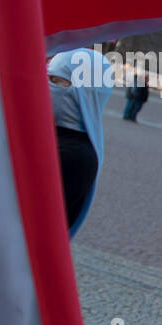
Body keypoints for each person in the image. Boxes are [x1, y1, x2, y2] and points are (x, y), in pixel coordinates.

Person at [46, 47, 115, 236]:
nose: (44, 87)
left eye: (53, 80)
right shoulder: (55, 137)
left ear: (80, 93)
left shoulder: (75, 155)